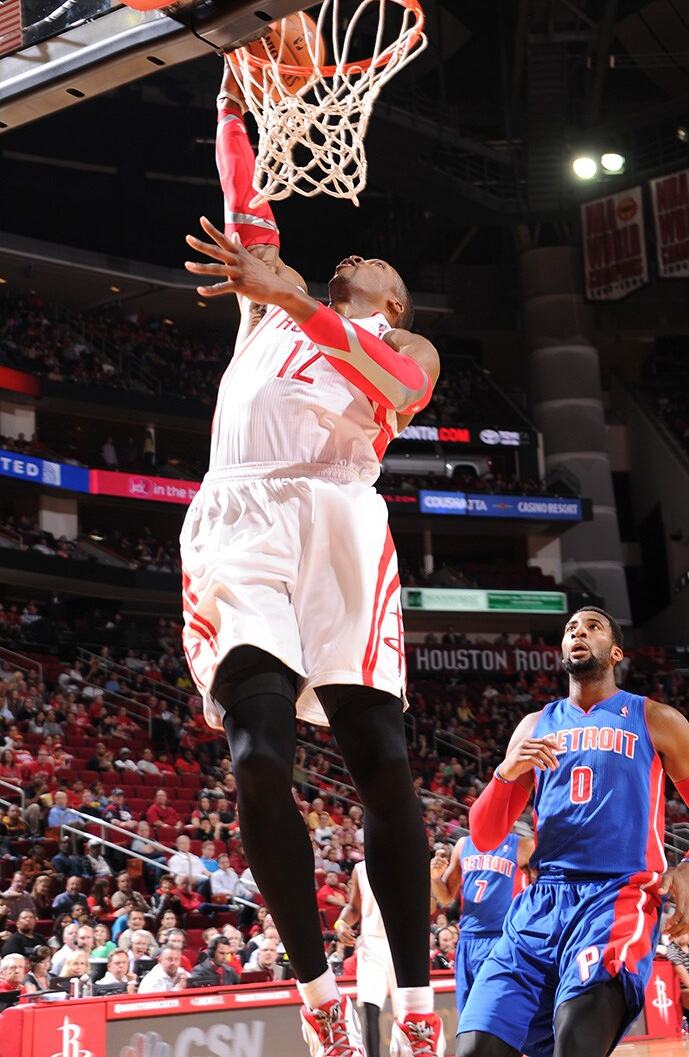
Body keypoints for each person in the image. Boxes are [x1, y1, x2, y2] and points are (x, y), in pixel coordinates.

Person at [178, 68, 443, 1057]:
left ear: (395, 297)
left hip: (338, 517)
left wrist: (298, 300)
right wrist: (229, 99)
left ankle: (414, 1002)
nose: (360, 251)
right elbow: (243, 195)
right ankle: (313, 984)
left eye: (378, 261)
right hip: (238, 517)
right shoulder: (267, 306)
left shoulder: (403, 340)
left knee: (382, 765)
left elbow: (394, 389)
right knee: (254, 755)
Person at [455, 606, 689, 1057]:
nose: (578, 632)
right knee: (476, 1050)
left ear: (615, 651)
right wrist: (505, 772)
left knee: (575, 1043)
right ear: (563, 650)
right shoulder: (534, 726)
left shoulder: (657, 719)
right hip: (539, 905)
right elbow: (485, 838)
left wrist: (688, 871)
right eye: (570, 629)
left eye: (592, 626)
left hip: (616, 900)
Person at [431, 831, 534, 1014]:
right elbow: (445, 897)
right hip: (468, 940)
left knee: (494, 1015)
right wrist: (436, 877)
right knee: (467, 1014)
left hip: (502, 939)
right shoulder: (463, 844)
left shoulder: (523, 845)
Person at [334, 859, 399, 1057]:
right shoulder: (361, 869)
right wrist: (341, 924)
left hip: (402, 940)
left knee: (407, 1010)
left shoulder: (406, 859)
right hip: (371, 941)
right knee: (370, 1007)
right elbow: (354, 908)